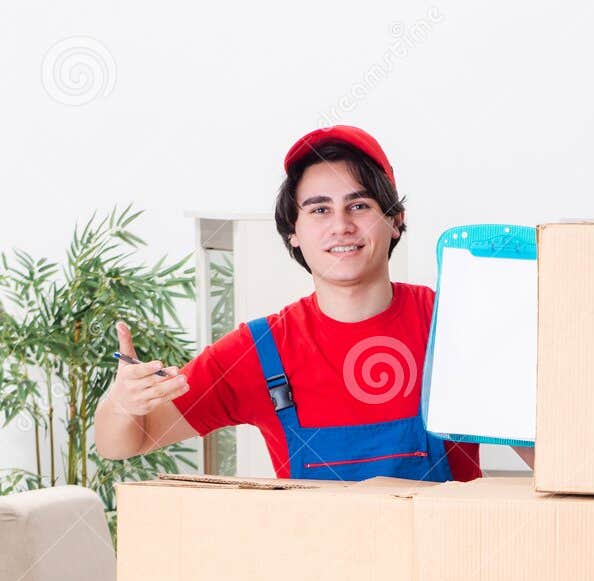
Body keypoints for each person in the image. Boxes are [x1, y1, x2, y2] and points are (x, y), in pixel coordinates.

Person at [95, 125, 514, 481]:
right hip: (315, 574)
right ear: (292, 231)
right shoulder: (259, 352)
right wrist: (122, 402)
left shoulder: (455, 325)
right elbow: (123, 443)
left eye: (360, 205)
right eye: (318, 210)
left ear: (396, 221)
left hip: (449, 570)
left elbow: (554, 461)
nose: (341, 225)